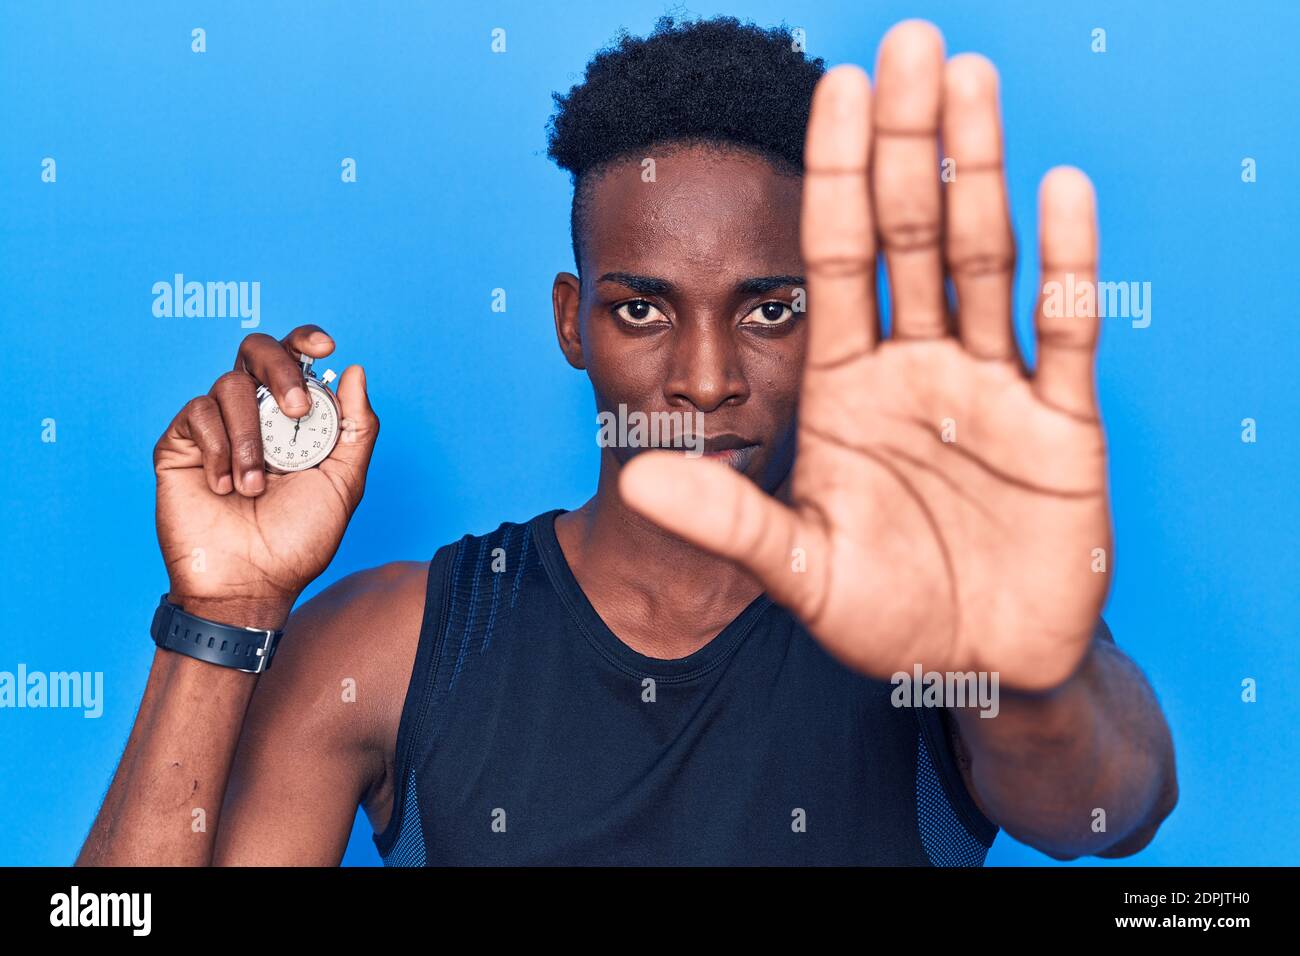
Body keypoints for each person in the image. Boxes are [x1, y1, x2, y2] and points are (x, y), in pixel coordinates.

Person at [77, 15, 1177, 866]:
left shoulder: (938, 607)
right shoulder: (395, 646)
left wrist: (1018, 671)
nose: (704, 379)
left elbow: (1114, 807)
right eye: (643, 309)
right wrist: (223, 617)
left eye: (770, 308)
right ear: (570, 320)